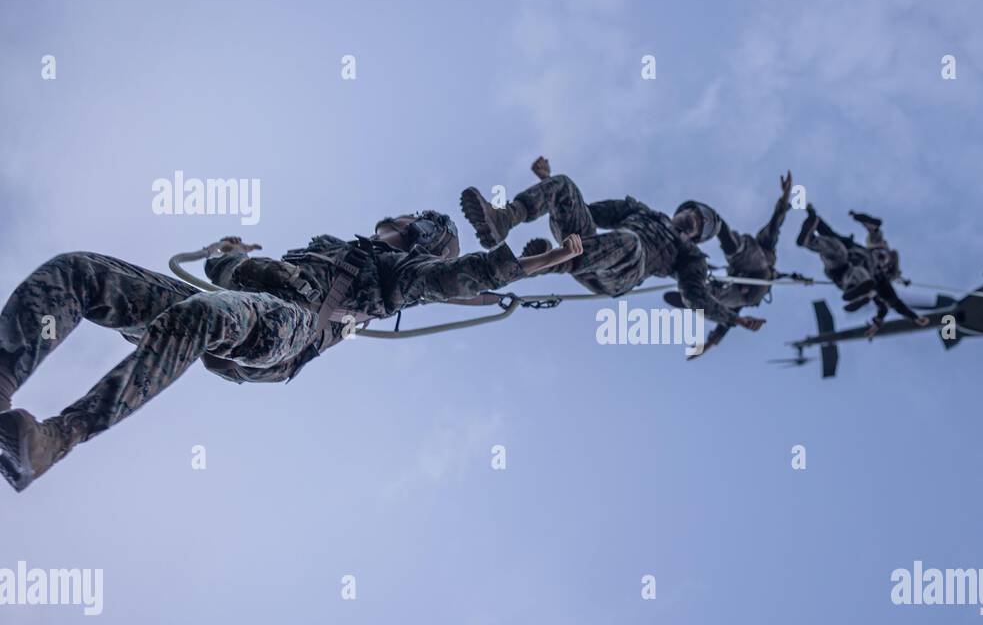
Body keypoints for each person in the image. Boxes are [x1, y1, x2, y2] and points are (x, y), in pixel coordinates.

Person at [0, 212, 580, 491]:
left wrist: (528, 266)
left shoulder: (393, 276)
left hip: (286, 332)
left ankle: (57, 439)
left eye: (414, 221)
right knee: (80, 273)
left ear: (420, 238)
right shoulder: (327, 247)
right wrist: (227, 254)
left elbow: (457, 279)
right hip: (239, 304)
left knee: (204, 314)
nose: (398, 218)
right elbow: (224, 273)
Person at [459, 156, 764, 335]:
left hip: (619, 273)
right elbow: (587, 212)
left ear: (696, 238)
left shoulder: (690, 256)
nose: (691, 221)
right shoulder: (642, 212)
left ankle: (544, 262)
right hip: (590, 248)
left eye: (697, 225)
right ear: (681, 209)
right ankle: (505, 219)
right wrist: (549, 185)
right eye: (691, 213)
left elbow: (695, 295)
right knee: (565, 186)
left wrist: (732, 317)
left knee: (631, 243)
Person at [667, 171, 794, 360]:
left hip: (755, 277)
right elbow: (726, 318)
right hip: (742, 288)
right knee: (724, 295)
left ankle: (701, 291)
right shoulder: (760, 248)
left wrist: (784, 197)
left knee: (739, 252)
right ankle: (699, 288)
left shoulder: (765, 246)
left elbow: (775, 225)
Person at [796, 205, 930, 339]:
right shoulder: (858, 249)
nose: (881, 261)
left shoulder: (880, 279)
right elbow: (828, 232)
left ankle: (862, 294)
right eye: (881, 256)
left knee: (864, 275)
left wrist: (913, 317)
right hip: (840, 261)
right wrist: (814, 217)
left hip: (845, 277)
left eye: (884, 261)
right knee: (838, 248)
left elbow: (893, 303)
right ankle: (810, 240)